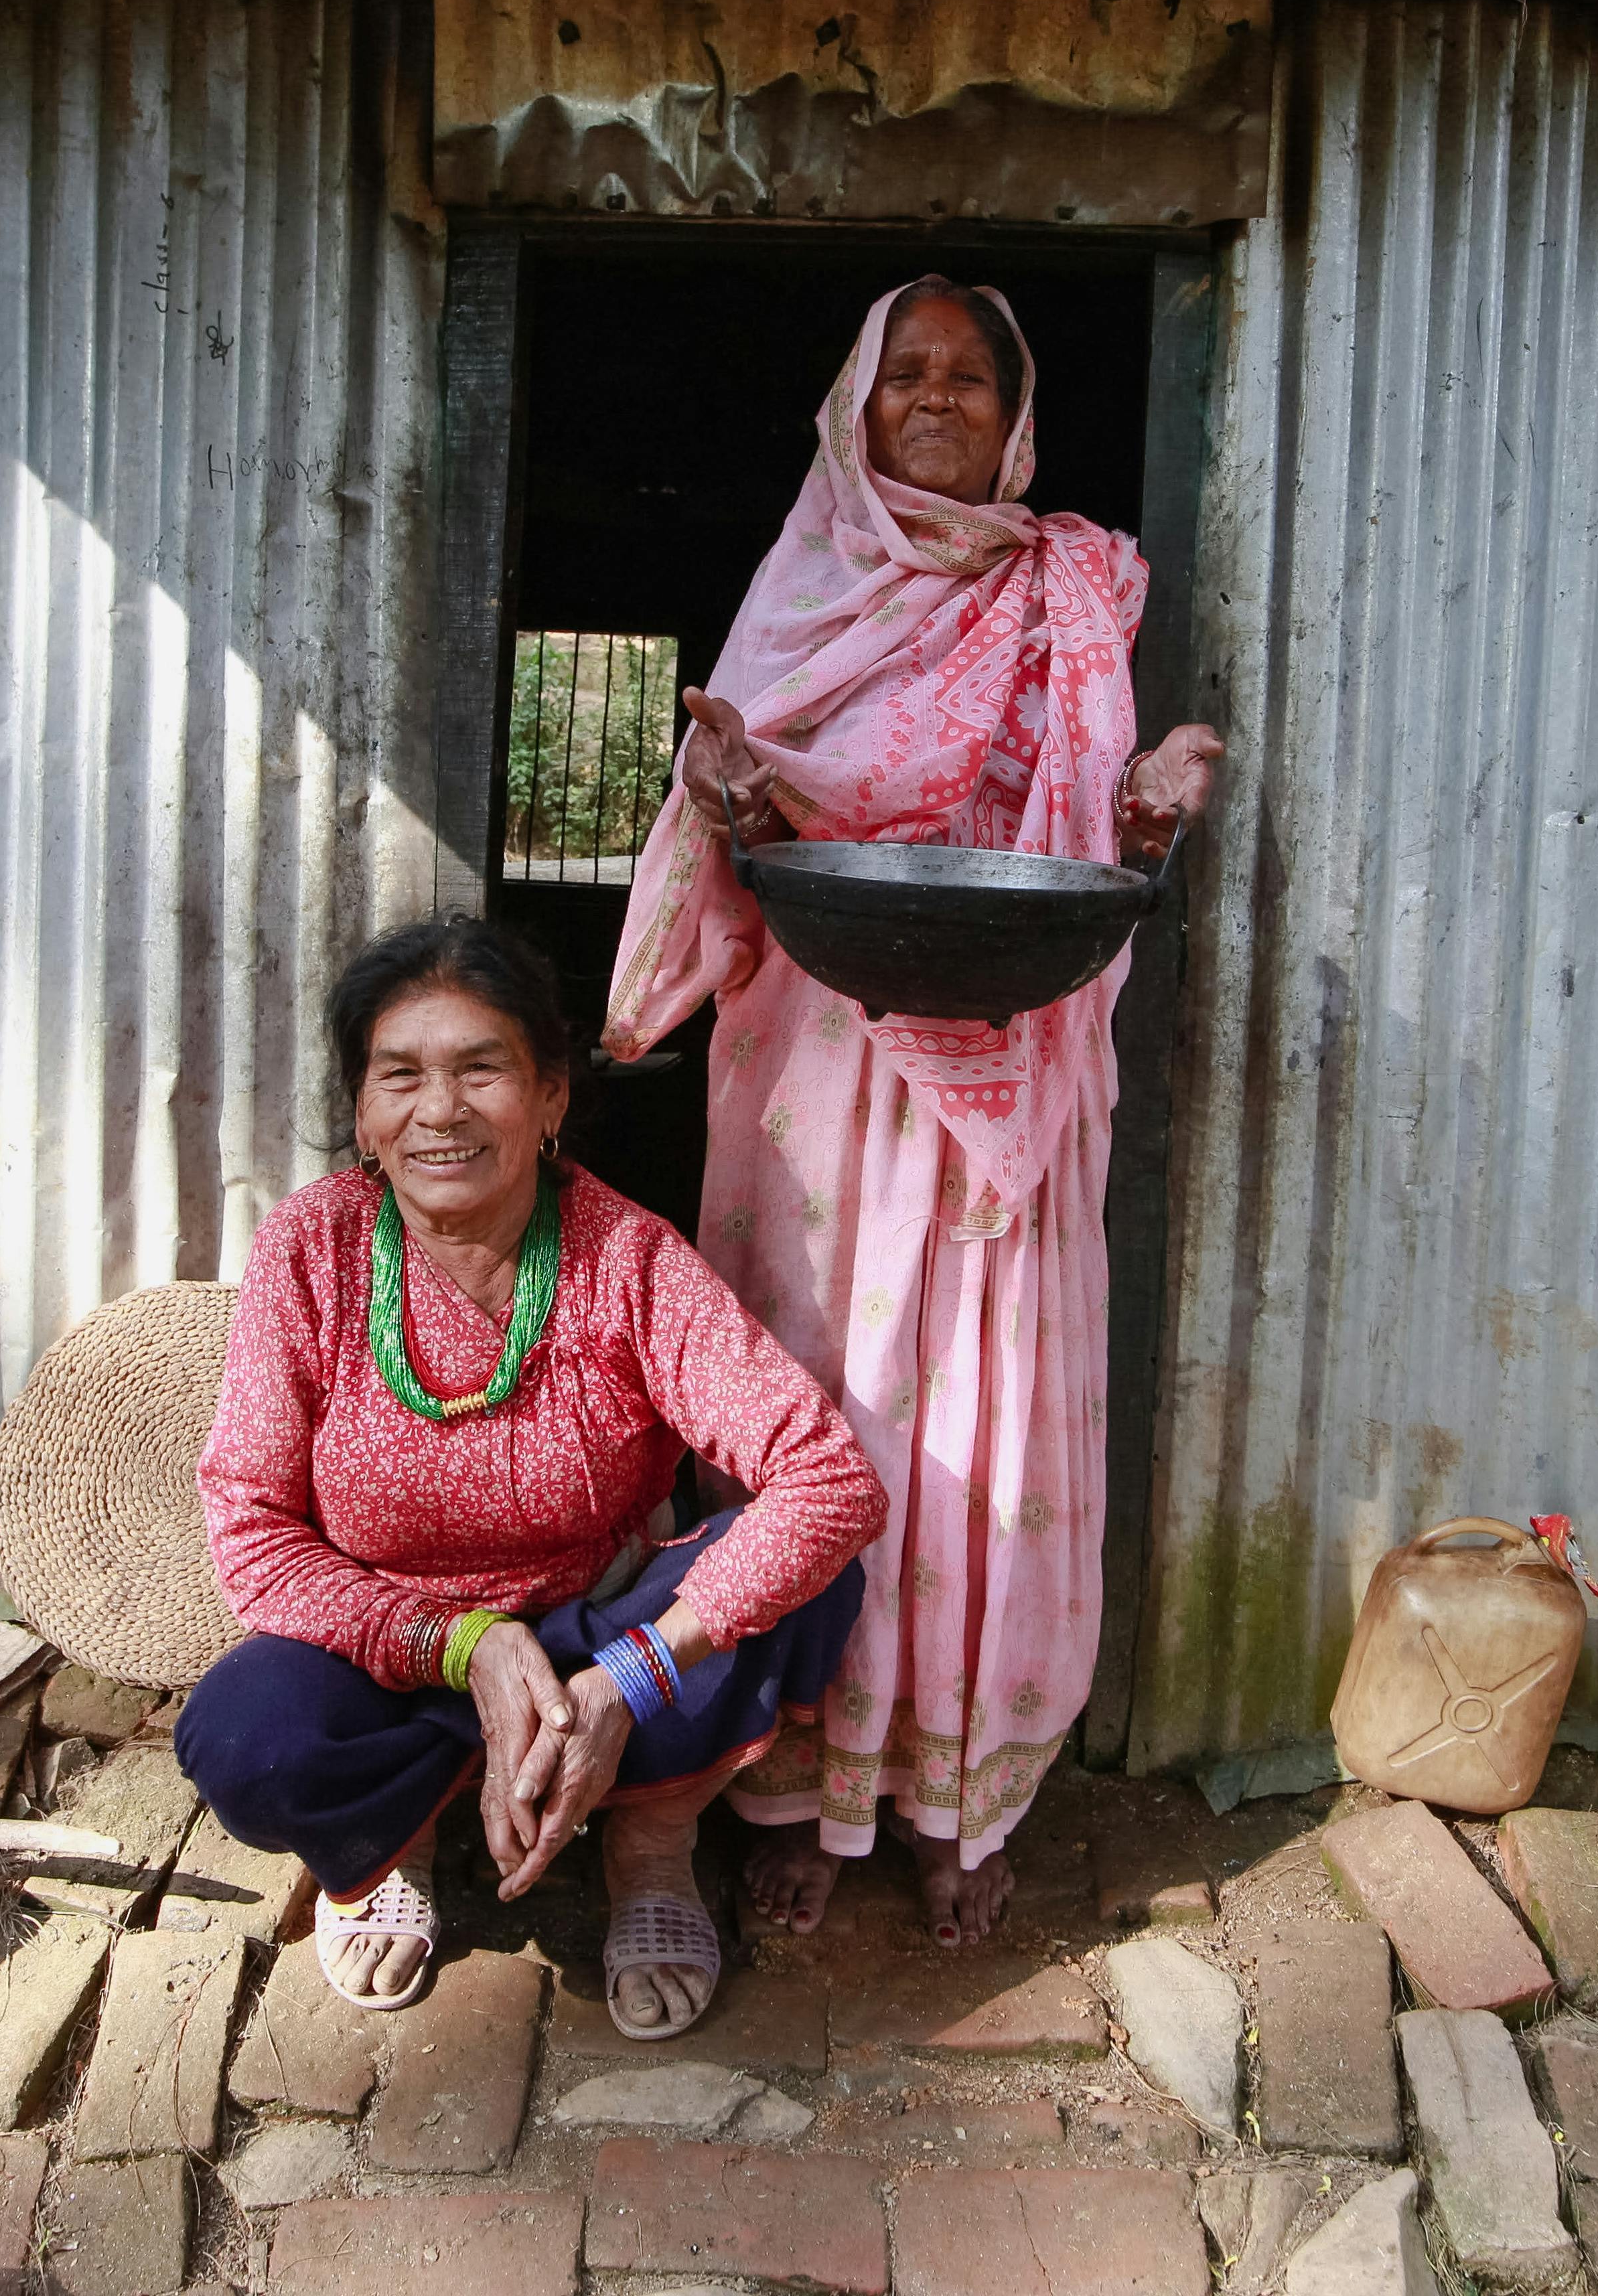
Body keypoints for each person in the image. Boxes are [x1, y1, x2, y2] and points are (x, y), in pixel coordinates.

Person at [601, 274, 1222, 1949]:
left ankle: (958, 1801)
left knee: (990, 1423)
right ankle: (794, 1785)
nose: (935, 399)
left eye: (969, 376)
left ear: (1018, 416)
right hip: (814, 1068)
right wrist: (726, 798)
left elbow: (1077, 846)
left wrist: (1148, 827)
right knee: (820, 1411)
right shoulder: (798, 589)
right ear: (851, 409)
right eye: (903, 375)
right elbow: (731, 834)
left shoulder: (1072, 584)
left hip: (1008, 1070)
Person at [175, 918, 885, 2040]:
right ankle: (391, 1844)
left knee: (811, 1579)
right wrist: (462, 1643)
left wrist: (627, 1682)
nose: (440, 1110)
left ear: (552, 1098)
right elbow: (255, 1533)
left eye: (482, 1069)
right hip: (390, 1645)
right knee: (244, 1734)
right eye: (400, 1075)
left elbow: (827, 1480)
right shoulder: (312, 1247)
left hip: (598, 1632)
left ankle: (651, 1847)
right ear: (363, 1115)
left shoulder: (624, 1256)